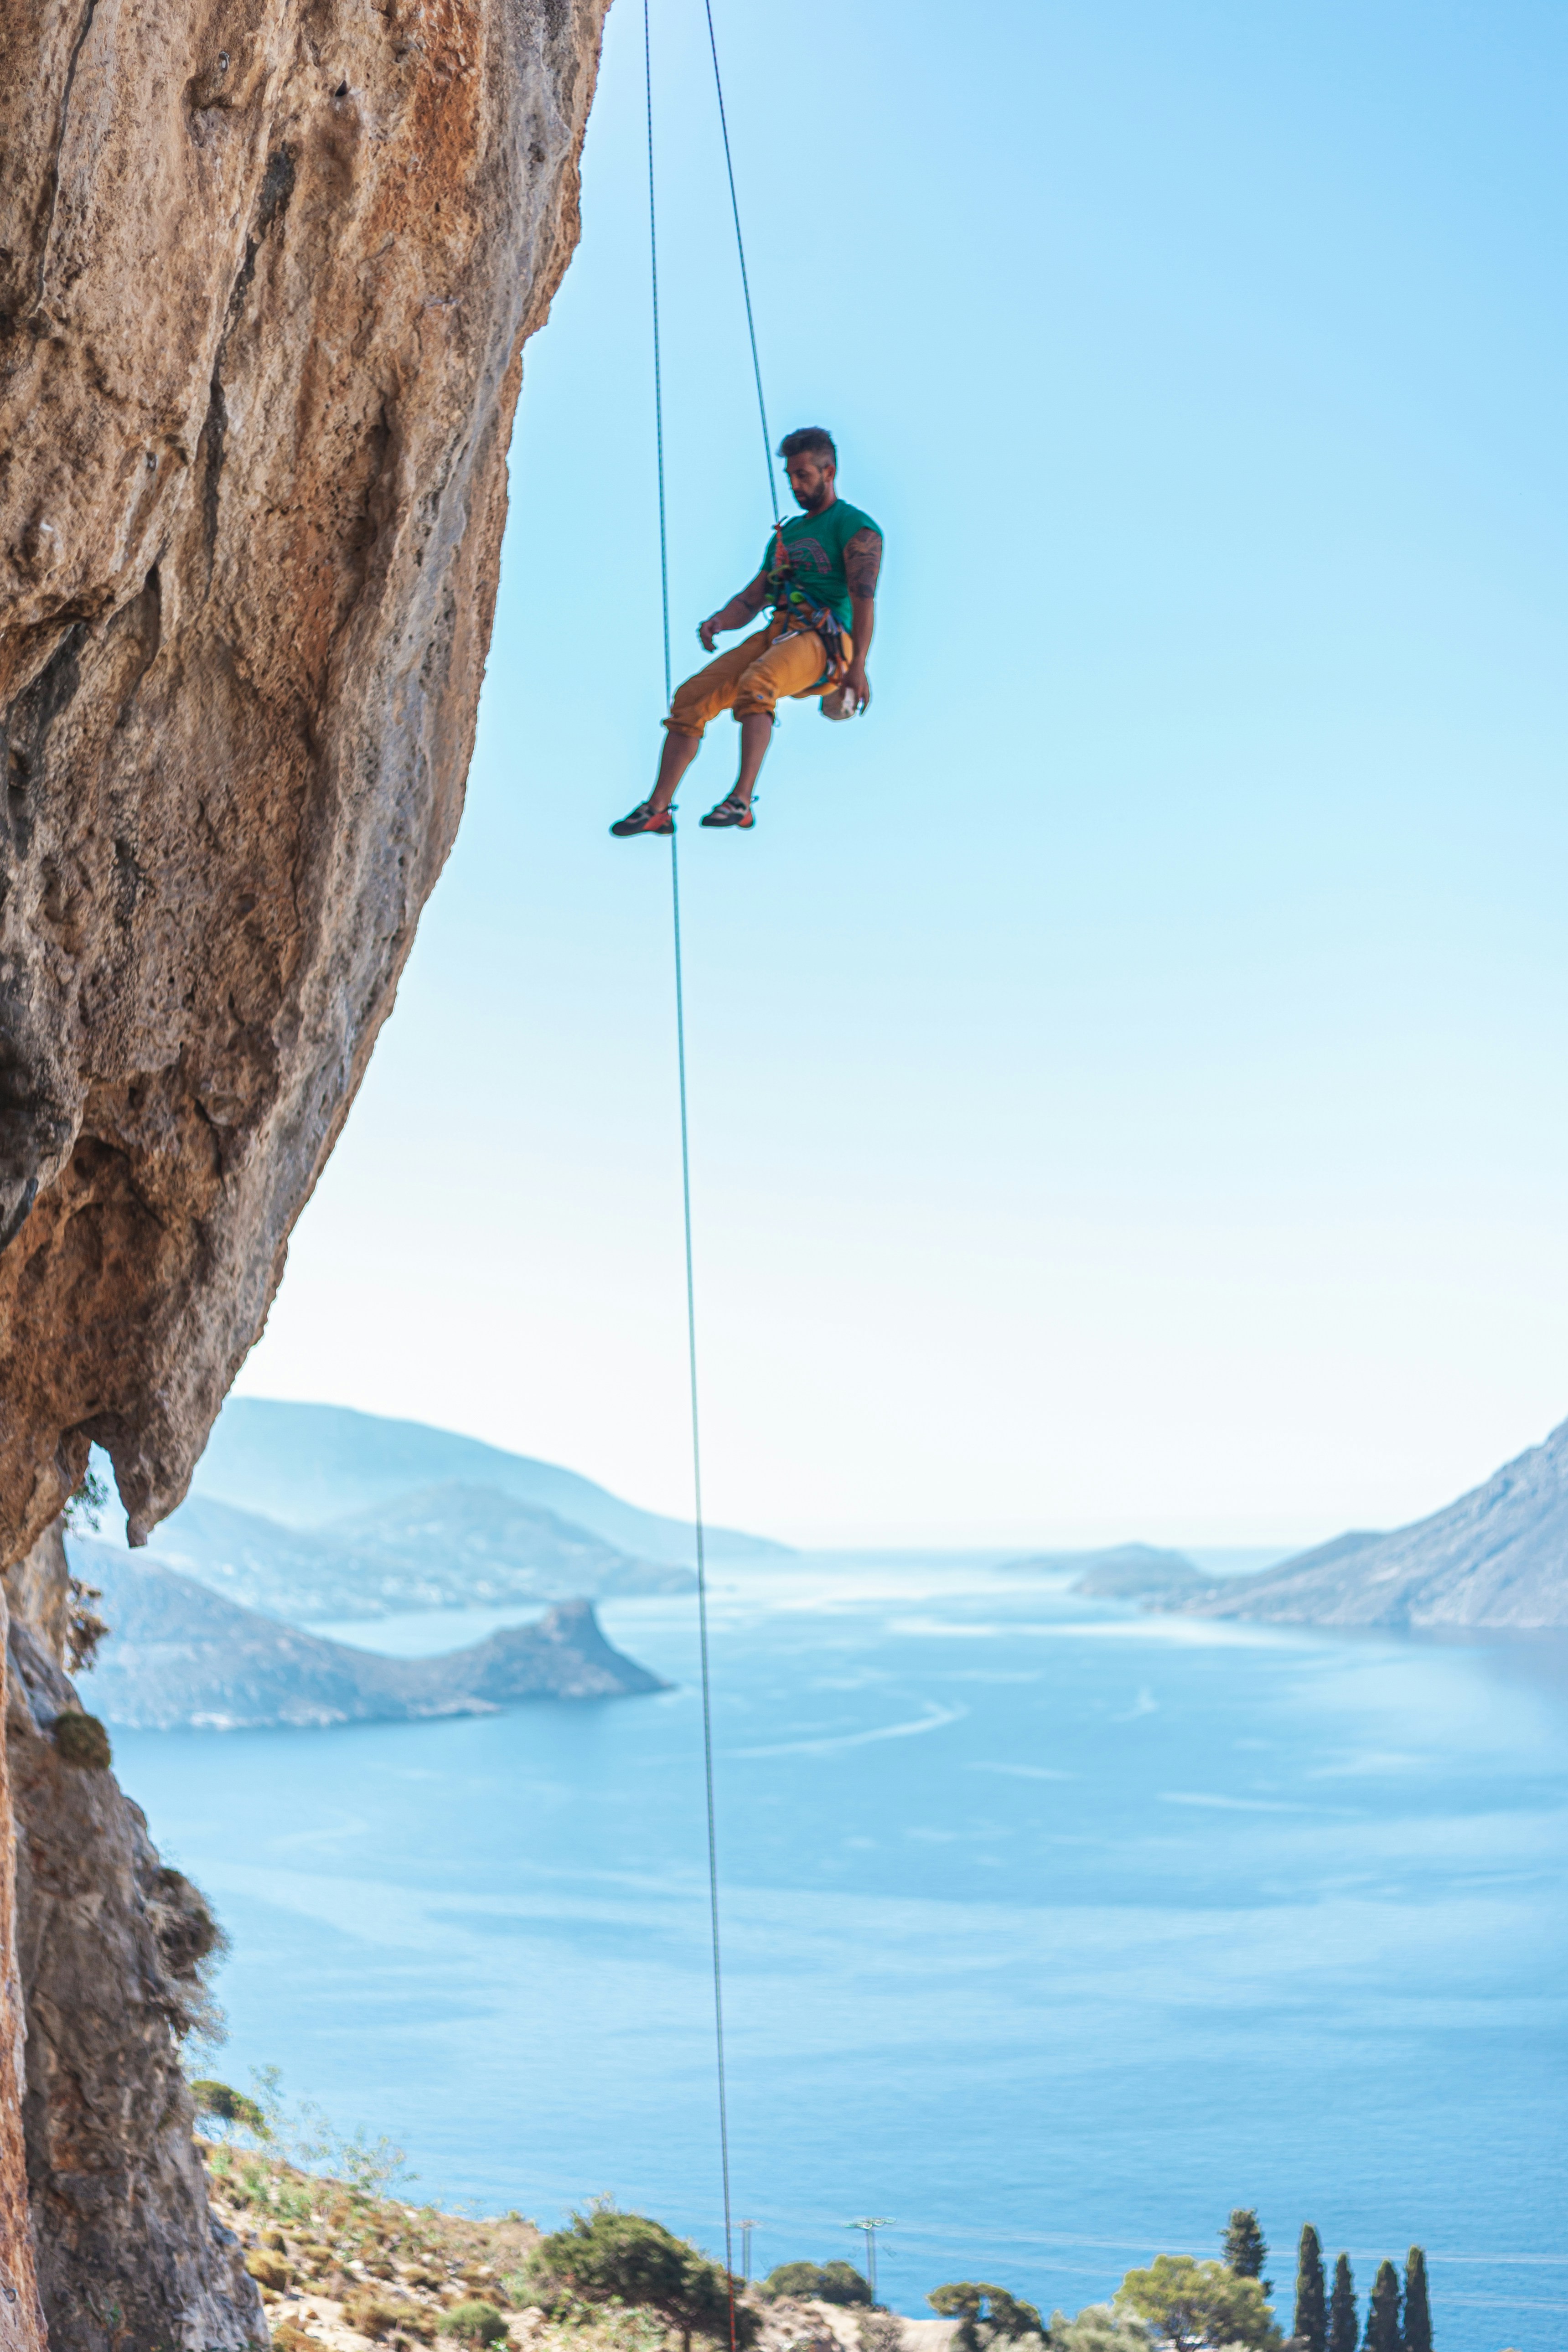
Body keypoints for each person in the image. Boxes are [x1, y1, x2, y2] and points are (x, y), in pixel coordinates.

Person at [611, 426, 883, 835]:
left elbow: (863, 598)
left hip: (827, 643)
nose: (794, 484)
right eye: (790, 475)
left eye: (803, 475)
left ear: (829, 473)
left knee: (760, 682)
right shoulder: (786, 535)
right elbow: (754, 597)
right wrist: (720, 620)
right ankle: (657, 808)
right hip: (779, 632)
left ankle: (741, 800)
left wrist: (857, 665)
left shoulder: (855, 526)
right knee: (690, 698)